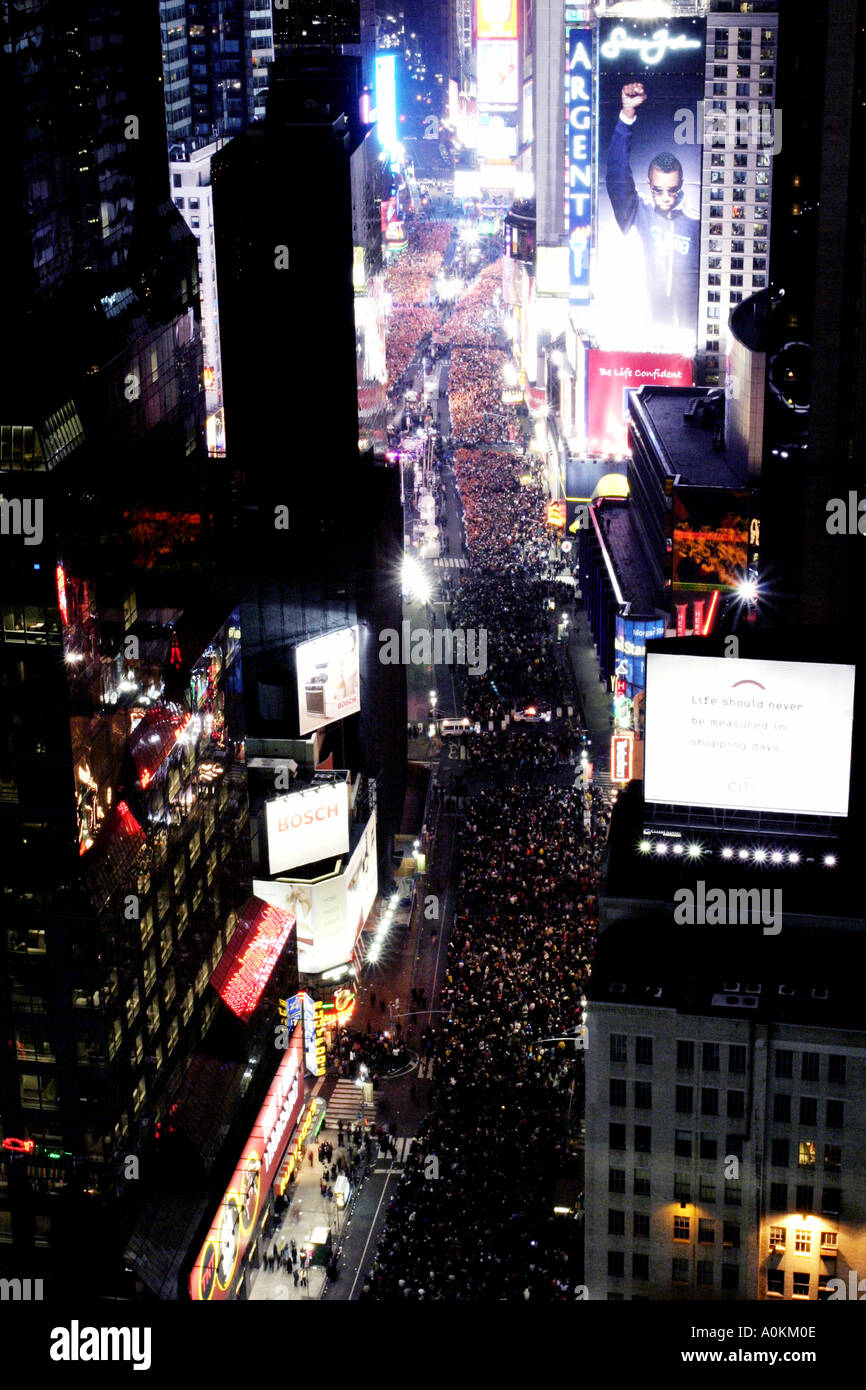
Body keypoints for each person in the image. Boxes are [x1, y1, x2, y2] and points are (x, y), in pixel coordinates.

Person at [605, 82, 700, 333]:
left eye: (673, 190)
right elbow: (616, 175)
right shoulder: (639, 213)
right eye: (659, 190)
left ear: (681, 185)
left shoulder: (695, 224)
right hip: (642, 332)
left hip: (687, 338)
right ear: (649, 185)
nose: (666, 197)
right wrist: (626, 117)